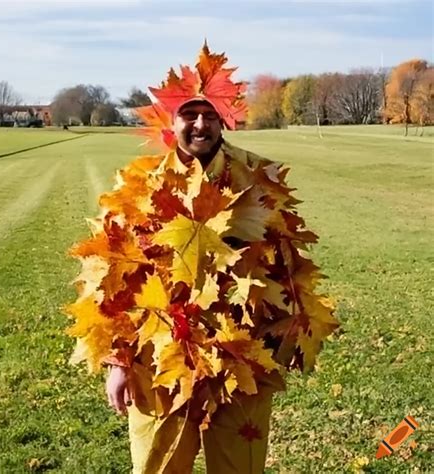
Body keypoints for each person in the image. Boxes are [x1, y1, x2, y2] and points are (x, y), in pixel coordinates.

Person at [66, 43, 338, 474]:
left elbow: (288, 265)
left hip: (241, 356)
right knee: (158, 466)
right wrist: (119, 362)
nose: (200, 123)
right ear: (171, 122)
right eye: (190, 114)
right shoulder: (140, 186)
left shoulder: (257, 179)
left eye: (210, 114)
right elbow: (109, 279)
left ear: (224, 119)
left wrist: (292, 333)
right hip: (161, 358)